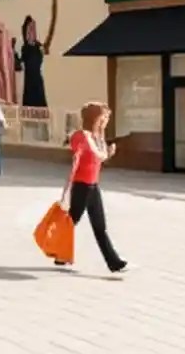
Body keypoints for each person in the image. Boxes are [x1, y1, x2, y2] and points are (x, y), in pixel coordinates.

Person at [56, 102, 129, 274]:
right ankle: (58, 252)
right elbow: (78, 160)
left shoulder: (97, 136)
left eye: (107, 117)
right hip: (81, 186)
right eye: (103, 116)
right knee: (72, 220)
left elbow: (99, 158)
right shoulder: (81, 136)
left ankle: (114, 263)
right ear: (94, 117)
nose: (106, 120)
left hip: (93, 186)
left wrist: (108, 152)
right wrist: (67, 190)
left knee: (99, 226)